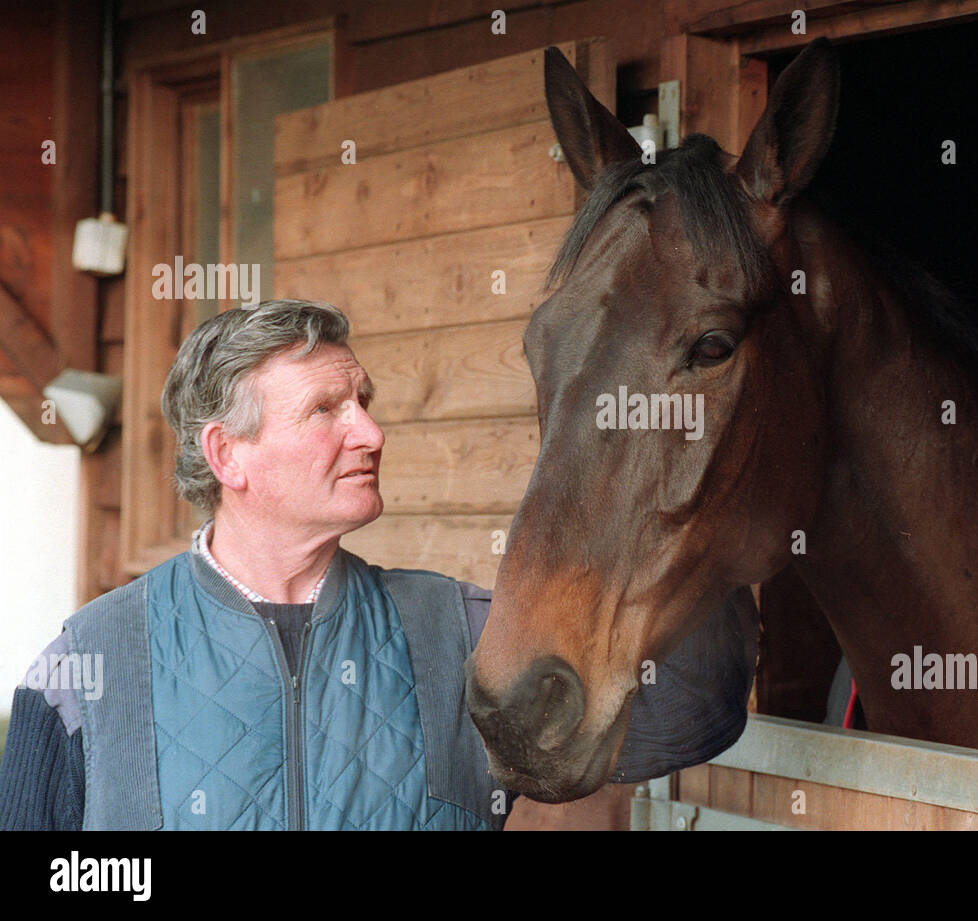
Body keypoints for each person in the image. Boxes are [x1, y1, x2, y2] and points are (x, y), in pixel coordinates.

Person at [0, 299, 758, 830]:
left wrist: (682, 480)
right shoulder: (91, 662)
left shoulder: (458, 636)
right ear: (228, 455)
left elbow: (688, 714)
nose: (370, 430)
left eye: (363, 399)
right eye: (326, 409)